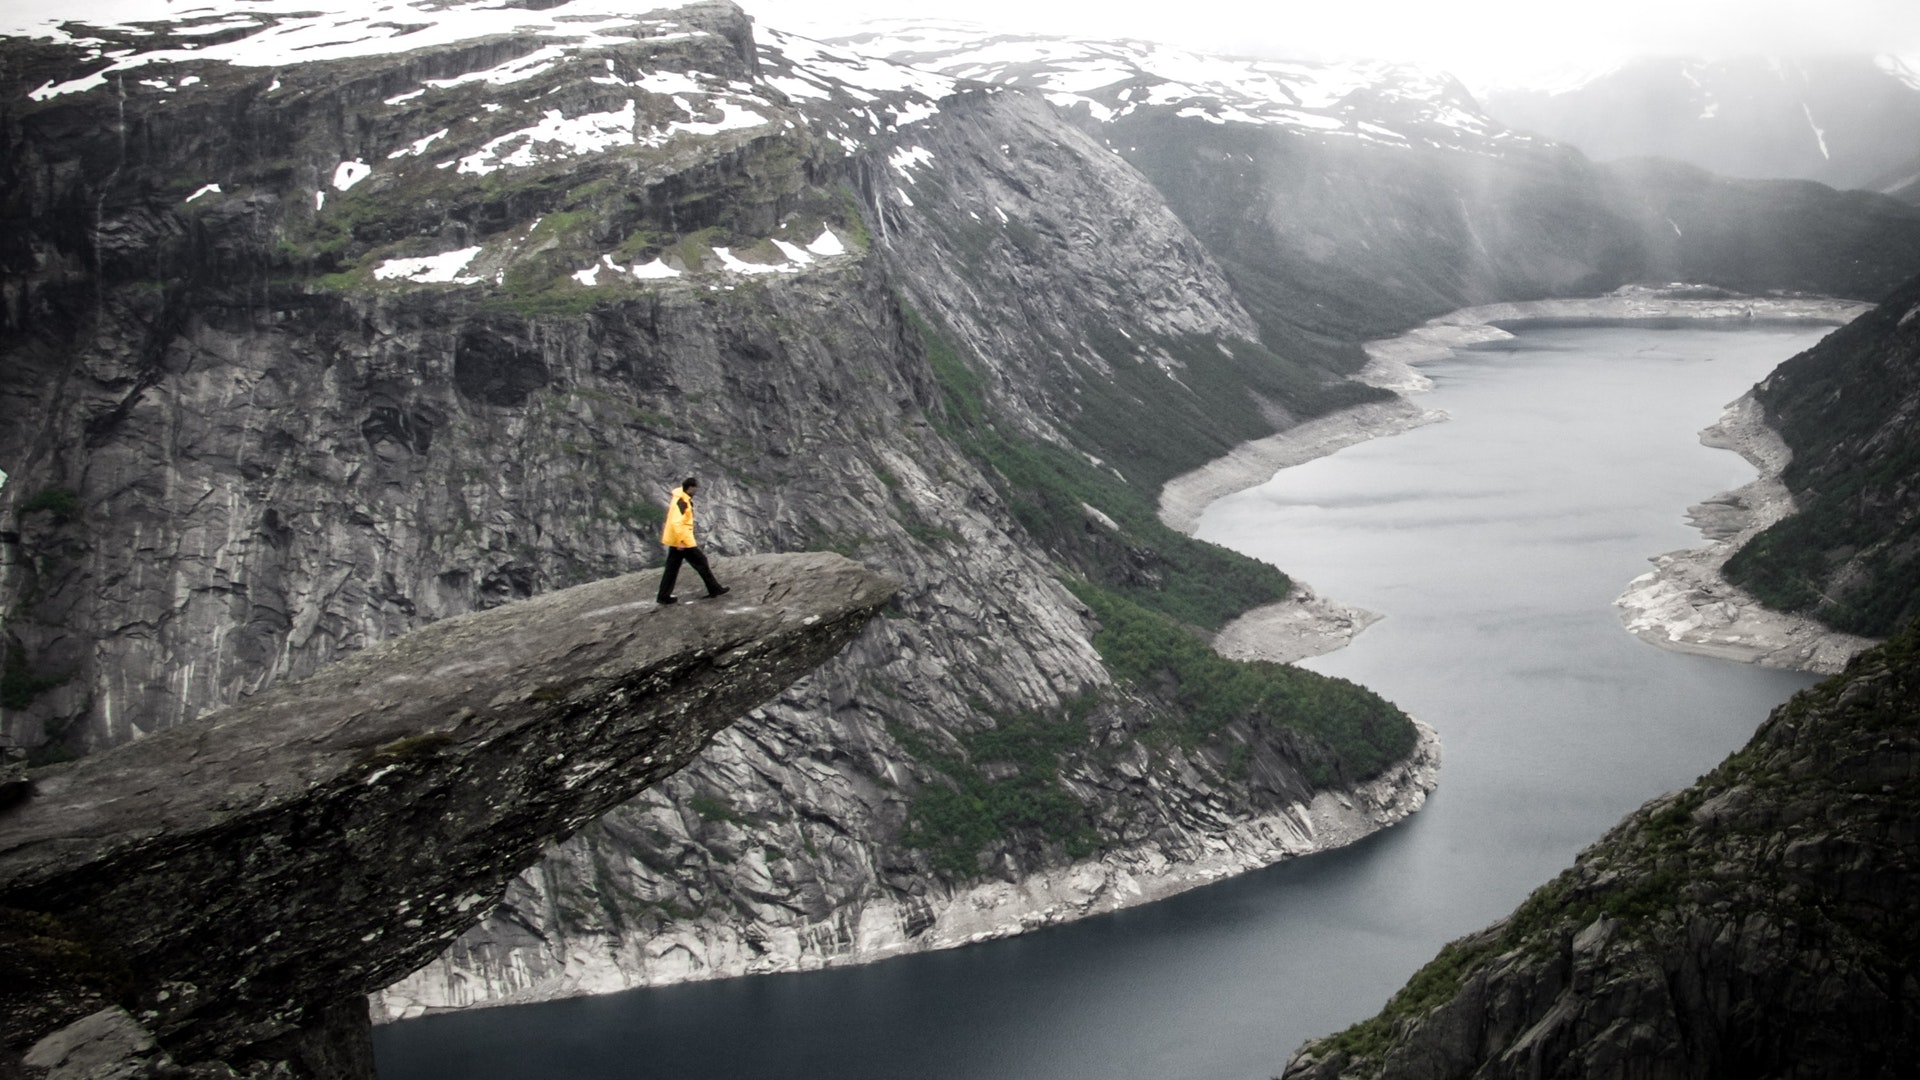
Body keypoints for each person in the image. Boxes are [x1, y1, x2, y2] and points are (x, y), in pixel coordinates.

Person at [657, 476, 729, 604]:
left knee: (671, 568)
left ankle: (663, 596)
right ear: (690, 488)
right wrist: (681, 541)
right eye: (696, 487)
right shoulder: (682, 502)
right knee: (701, 561)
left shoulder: (680, 497)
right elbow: (677, 522)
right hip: (683, 541)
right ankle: (714, 589)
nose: (697, 490)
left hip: (677, 540)